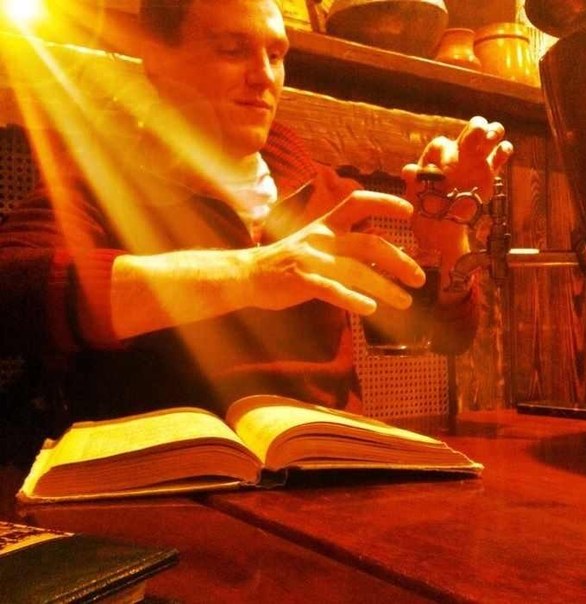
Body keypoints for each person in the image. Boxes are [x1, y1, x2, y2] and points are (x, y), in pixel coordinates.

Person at [0, 0, 512, 433]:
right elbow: (10, 295)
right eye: (232, 50)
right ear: (156, 60)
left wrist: (450, 240)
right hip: (168, 493)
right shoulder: (99, 182)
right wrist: (249, 274)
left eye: (276, 54)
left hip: (328, 478)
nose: (264, 76)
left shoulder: (330, 194)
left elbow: (446, 335)